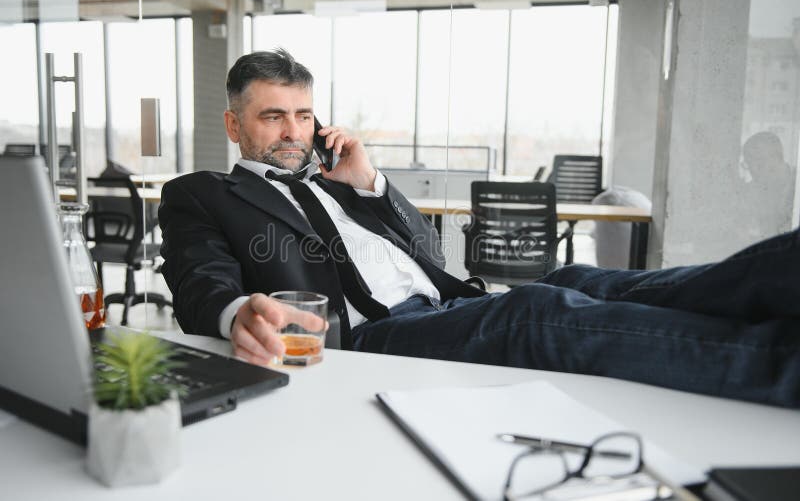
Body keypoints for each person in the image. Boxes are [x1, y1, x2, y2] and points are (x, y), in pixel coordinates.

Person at [159, 49, 800, 408]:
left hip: (445, 305)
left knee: (581, 278)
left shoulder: (338, 183)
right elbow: (198, 282)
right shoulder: (203, 195)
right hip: (368, 338)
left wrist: (371, 183)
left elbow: (429, 253)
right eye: (274, 117)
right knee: (534, 313)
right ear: (235, 125)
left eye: (303, 114)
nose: (296, 132)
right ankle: (780, 364)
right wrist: (240, 311)